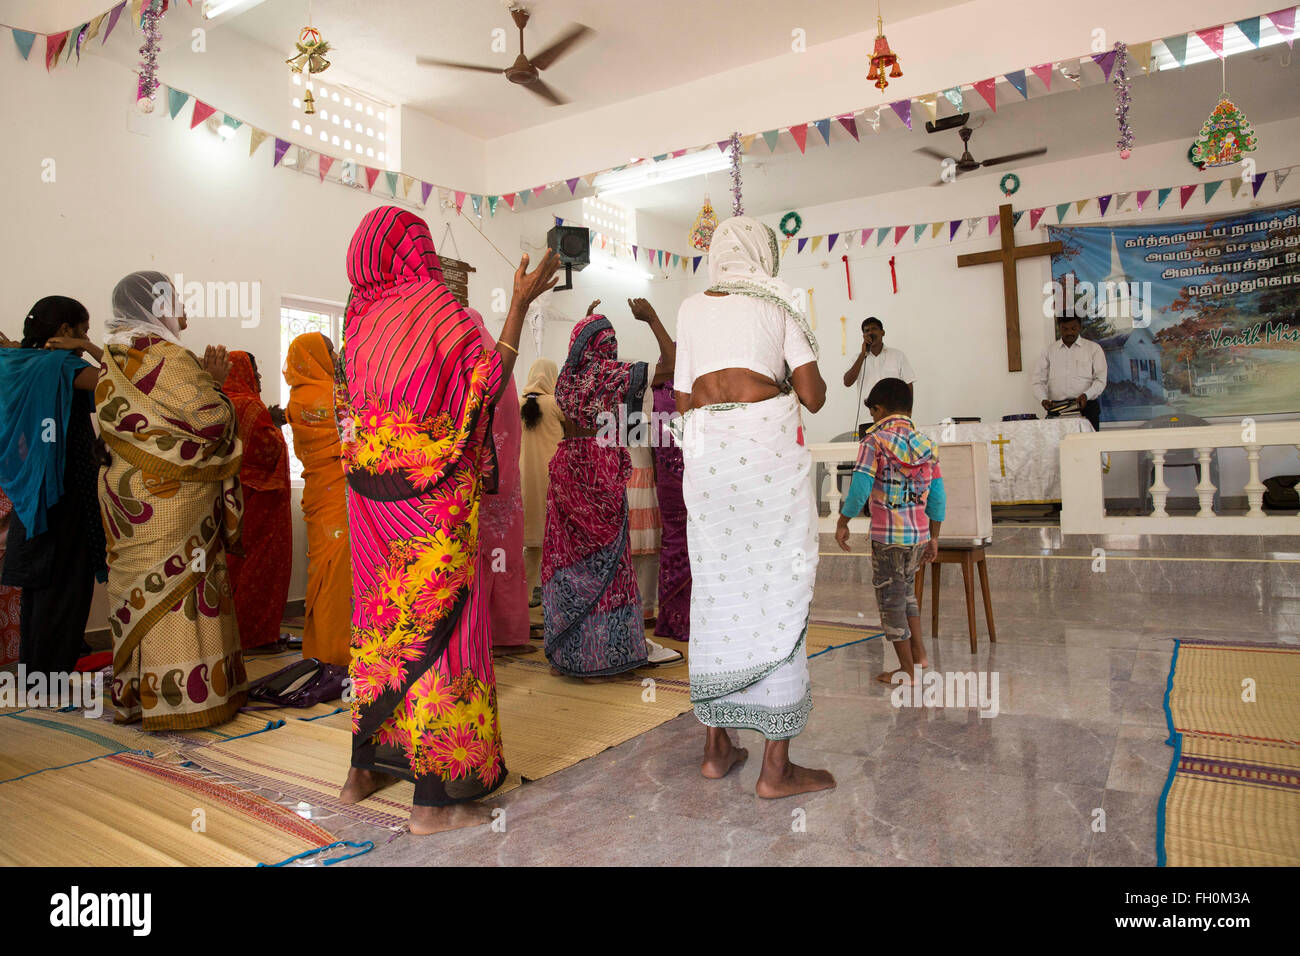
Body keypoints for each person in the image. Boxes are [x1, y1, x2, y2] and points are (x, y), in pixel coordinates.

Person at [336, 206, 559, 835]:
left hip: (368, 498)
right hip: (430, 504)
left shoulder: (358, 320)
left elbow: (349, 418)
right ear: (417, 252)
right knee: (441, 629)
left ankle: (363, 770)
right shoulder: (439, 309)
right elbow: (486, 385)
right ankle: (435, 802)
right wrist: (517, 304)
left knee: (379, 623)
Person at [674, 215, 833, 799]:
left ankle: (716, 750)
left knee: (718, 589)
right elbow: (814, 396)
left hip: (711, 466)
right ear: (763, 256)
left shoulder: (691, 308)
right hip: (765, 462)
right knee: (778, 590)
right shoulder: (780, 299)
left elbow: (686, 399)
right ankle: (775, 769)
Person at [97, 271, 247, 728]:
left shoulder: (113, 356)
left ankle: (138, 699)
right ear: (157, 305)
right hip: (175, 500)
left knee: (139, 589)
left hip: (127, 496)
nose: (182, 307)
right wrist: (216, 383)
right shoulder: (169, 357)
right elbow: (212, 423)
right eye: (175, 299)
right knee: (186, 584)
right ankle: (185, 702)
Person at [0, 297, 106, 675]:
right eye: (84, 329)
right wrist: (89, 350)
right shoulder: (62, 365)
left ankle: (37, 677)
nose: (87, 336)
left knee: (40, 586)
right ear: (65, 332)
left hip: (31, 487)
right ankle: (50, 678)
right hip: (67, 486)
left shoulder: (13, 363)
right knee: (66, 586)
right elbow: (123, 385)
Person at [833, 377, 945, 684]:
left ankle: (907, 671)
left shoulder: (874, 442)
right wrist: (934, 537)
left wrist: (843, 521)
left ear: (879, 409)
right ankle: (919, 657)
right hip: (919, 537)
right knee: (907, 595)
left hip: (888, 539)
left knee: (890, 602)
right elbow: (938, 497)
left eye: (873, 412)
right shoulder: (927, 445)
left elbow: (859, 488)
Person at [465, 308, 531, 655]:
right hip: (504, 484)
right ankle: (507, 632)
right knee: (504, 556)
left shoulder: (477, 375)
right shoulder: (499, 372)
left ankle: (484, 634)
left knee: (481, 559)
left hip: (475, 483)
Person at [284, 332, 352, 667]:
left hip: (320, 492)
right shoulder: (328, 396)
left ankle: (320, 647)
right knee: (337, 573)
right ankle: (336, 650)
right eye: (328, 350)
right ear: (313, 357)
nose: (336, 354)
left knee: (324, 571)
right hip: (336, 492)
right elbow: (355, 437)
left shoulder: (296, 398)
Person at [223, 351, 293, 652]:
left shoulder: (219, 401)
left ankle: (237, 634)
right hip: (261, 497)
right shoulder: (249, 405)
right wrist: (276, 425)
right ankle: (257, 635)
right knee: (263, 565)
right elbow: (267, 449)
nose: (259, 378)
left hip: (230, 497)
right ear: (243, 372)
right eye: (255, 370)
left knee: (236, 564)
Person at [519, 357, 564, 615]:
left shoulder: (518, 402)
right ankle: (553, 596)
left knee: (532, 544)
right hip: (551, 479)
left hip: (525, 478)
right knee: (553, 540)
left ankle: (524, 596)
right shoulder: (554, 403)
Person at [651, 350, 689, 641]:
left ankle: (673, 621)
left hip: (672, 480)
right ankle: (684, 621)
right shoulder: (685, 394)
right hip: (683, 480)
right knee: (686, 546)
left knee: (675, 543)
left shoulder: (658, 396)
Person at [1032, 314, 1107, 432]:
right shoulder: (1049, 351)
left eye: (1073, 328)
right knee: (1057, 447)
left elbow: (1100, 380)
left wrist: (1086, 395)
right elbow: (1038, 381)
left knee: (1089, 447)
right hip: (1057, 408)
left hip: (1086, 406)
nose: (1069, 333)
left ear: (1080, 327)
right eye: (1065, 329)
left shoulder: (1093, 349)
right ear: (1059, 328)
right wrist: (1043, 399)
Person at [842, 317, 914, 432]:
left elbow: (908, 384)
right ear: (863, 336)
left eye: (874, 329)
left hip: (894, 418)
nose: (870, 332)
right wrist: (862, 354)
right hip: (867, 419)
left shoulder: (897, 355)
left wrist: (908, 412)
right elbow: (847, 382)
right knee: (869, 450)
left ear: (882, 332)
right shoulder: (857, 358)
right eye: (866, 330)